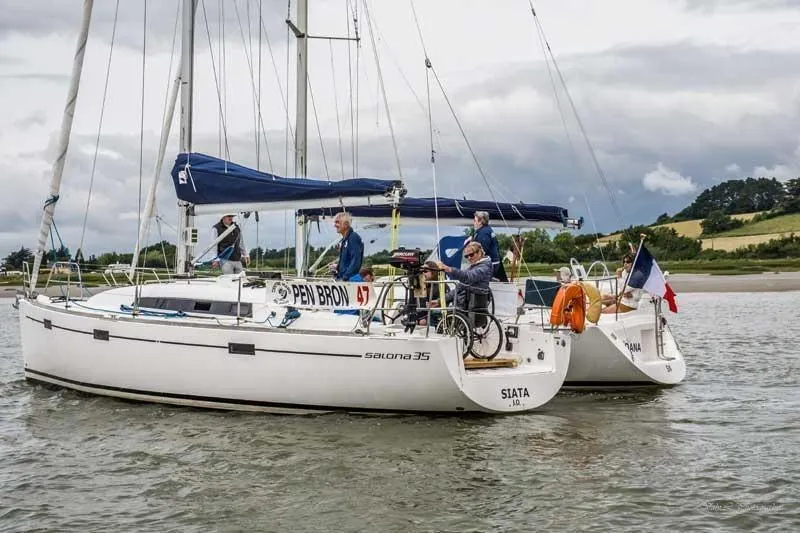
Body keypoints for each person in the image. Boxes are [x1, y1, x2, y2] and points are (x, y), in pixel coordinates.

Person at [432, 241, 493, 310]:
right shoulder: (473, 267)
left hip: (471, 307)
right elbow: (459, 288)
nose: (469, 258)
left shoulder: (484, 267)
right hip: (462, 306)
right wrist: (439, 301)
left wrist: (450, 269)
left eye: (471, 255)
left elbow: (468, 277)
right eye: (466, 256)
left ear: (479, 253)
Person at [472, 211, 508, 282]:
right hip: (494, 262)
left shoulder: (483, 233)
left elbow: (482, 250)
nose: (473, 223)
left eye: (475, 220)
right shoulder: (487, 229)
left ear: (480, 222)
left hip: (490, 264)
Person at [327, 212, 364, 281]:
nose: (335, 225)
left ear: (346, 224)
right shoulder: (345, 239)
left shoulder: (353, 237)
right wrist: (338, 267)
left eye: (337, 222)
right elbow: (348, 261)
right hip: (346, 279)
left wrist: (345, 277)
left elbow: (355, 261)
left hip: (350, 280)